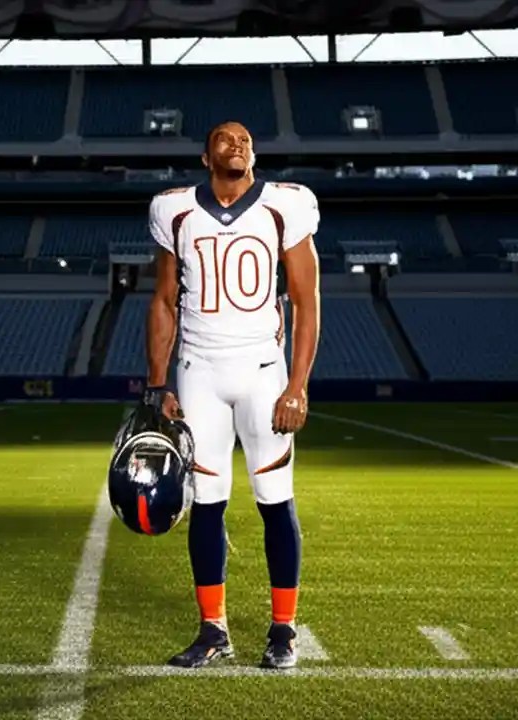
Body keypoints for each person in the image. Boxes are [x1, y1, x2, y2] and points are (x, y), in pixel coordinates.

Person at [144, 120, 321, 669]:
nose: (238, 144)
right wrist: (156, 386)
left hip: (263, 372)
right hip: (199, 370)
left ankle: (284, 630)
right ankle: (213, 629)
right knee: (207, 505)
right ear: (205, 157)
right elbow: (165, 301)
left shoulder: (284, 205)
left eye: (245, 139)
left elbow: (306, 300)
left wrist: (298, 385)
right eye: (225, 138)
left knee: (275, 502)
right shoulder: (173, 210)